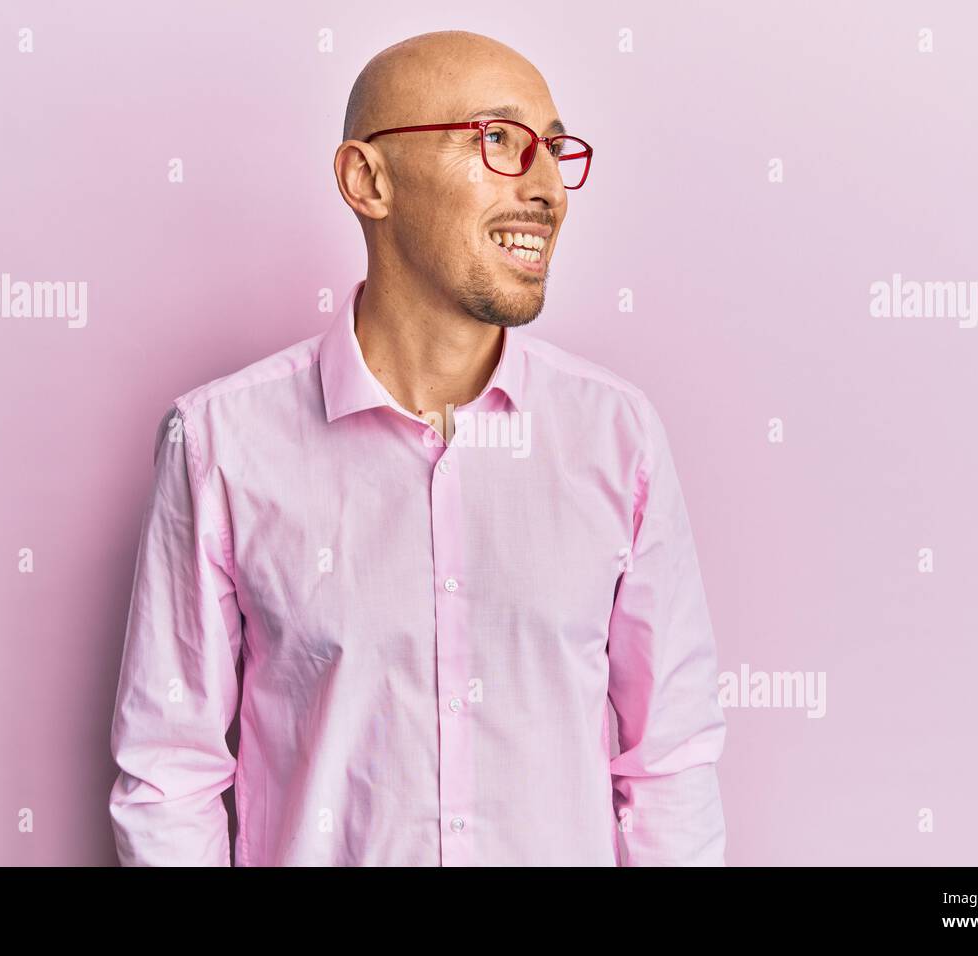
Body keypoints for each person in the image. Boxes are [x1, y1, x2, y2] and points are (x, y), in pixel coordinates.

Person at [108, 29, 727, 866]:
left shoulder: (618, 437)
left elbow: (670, 763)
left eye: (554, 149)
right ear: (369, 179)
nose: (547, 188)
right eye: (498, 140)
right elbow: (168, 774)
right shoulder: (220, 443)